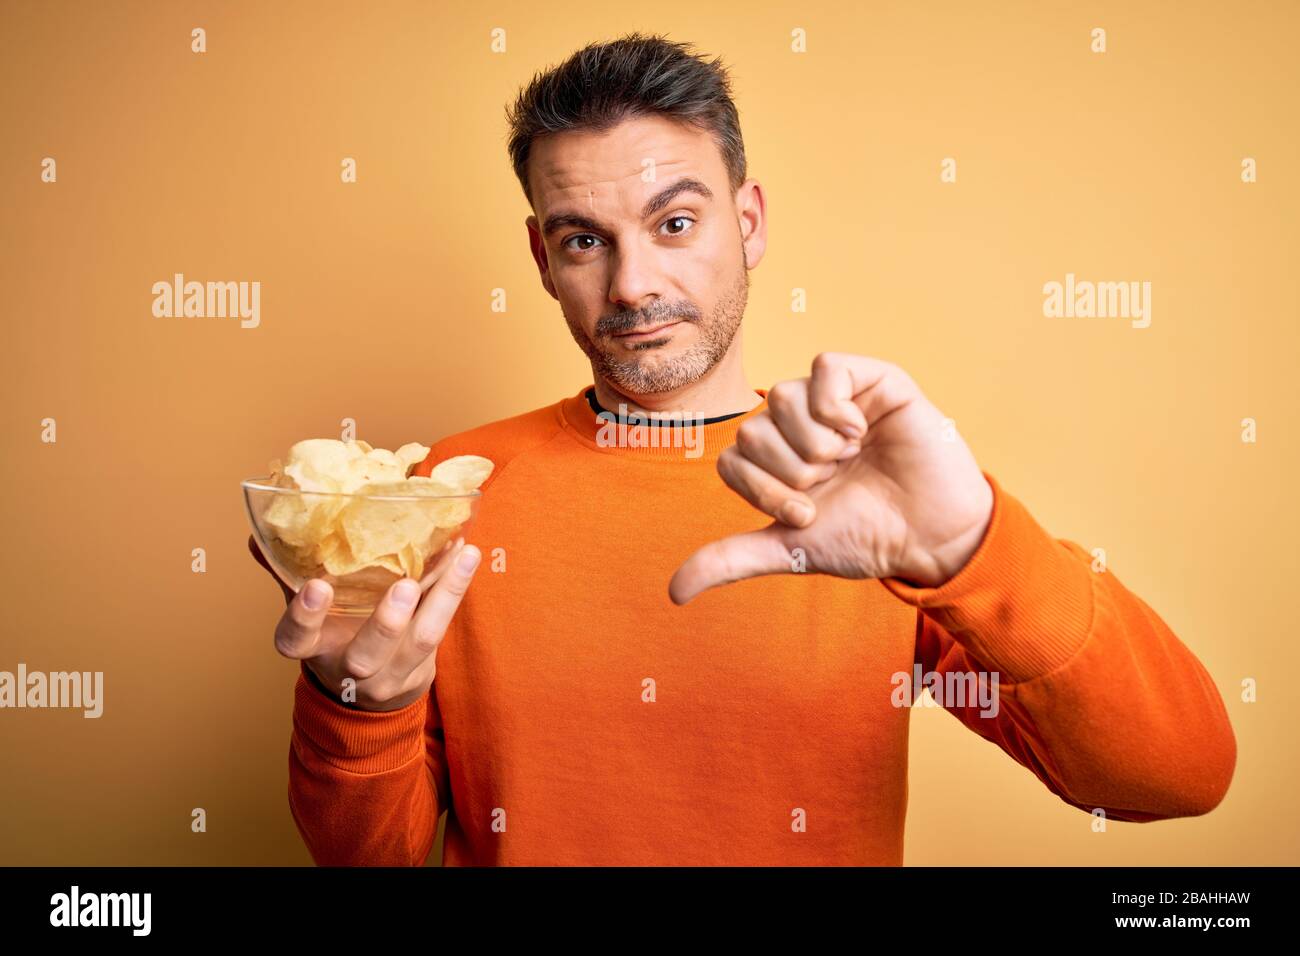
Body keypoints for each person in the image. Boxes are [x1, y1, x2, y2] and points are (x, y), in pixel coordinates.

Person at [252, 32, 1236, 866]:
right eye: (583, 240)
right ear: (541, 258)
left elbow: (1177, 773)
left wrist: (971, 545)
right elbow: (372, 856)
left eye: (674, 221)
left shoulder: (865, 490)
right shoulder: (444, 494)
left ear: (748, 221)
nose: (633, 283)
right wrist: (358, 703)